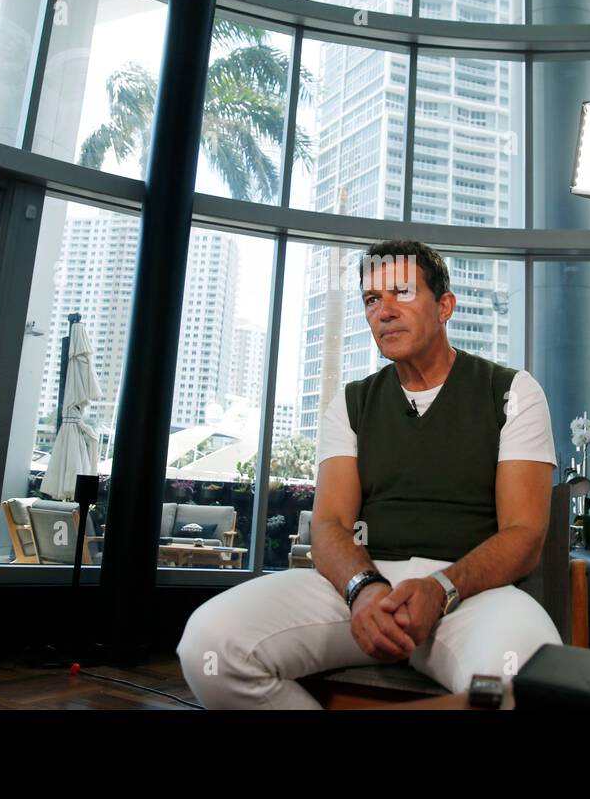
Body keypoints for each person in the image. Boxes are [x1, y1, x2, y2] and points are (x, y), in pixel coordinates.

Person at [176, 239, 561, 708]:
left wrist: (441, 589)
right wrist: (363, 589)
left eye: (402, 292)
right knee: (209, 645)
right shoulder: (351, 403)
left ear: (445, 306)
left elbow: (524, 534)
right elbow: (330, 525)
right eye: (372, 299)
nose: (385, 311)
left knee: (527, 681)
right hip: (364, 587)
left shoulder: (512, 392)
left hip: (470, 596)